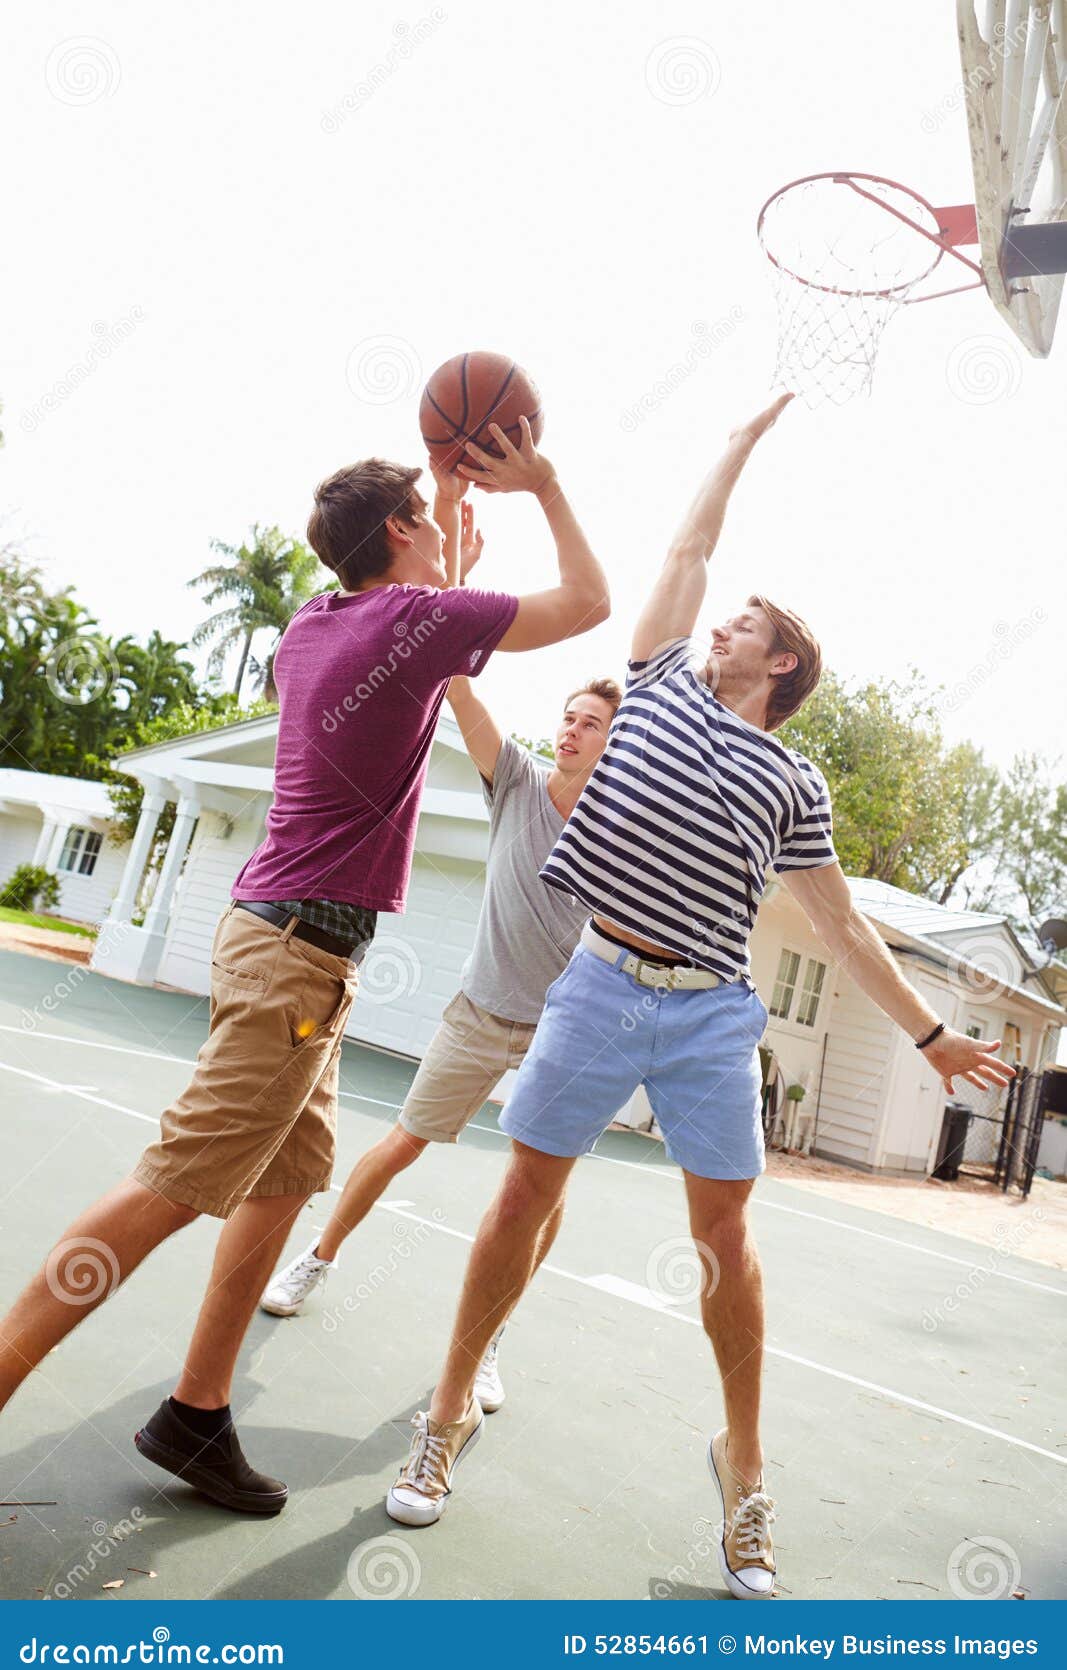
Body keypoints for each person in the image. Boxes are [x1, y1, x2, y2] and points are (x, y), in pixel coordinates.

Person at [383, 395, 1015, 1598]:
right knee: (523, 1191)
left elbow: (837, 924)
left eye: (745, 623)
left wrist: (928, 1035)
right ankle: (448, 1408)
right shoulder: (658, 681)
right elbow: (685, 552)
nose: (716, 620)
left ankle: (744, 1463)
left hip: (712, 1012)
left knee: (721, 1239)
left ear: (778, 663)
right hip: (598, 981)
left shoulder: (796, 779)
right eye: (722, 614)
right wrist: (730, 447)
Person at [0, 420, 610, 1517]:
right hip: (297, 962)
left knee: (289, 1174)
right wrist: (546, 486)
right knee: (173, 1184)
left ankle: (194, 1412)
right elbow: (587, 604)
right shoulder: (417, 620)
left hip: (290, 953)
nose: (439, 536)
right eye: (424, 522)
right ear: (398, 533)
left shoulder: (312, 621)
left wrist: (442, 524)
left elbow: (421, 620)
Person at [260, 663, 621, 1423]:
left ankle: (489, 1342)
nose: (571, 729)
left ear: (614, 742)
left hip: (565, 1030)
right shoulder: (519, 782)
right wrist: (452, 611)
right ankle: (317, 1258)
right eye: (567, 715)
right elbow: (458, 690)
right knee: (401, 1143)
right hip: (481, 1009)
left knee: (540, 1190)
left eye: (590, 722)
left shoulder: (623, 815)